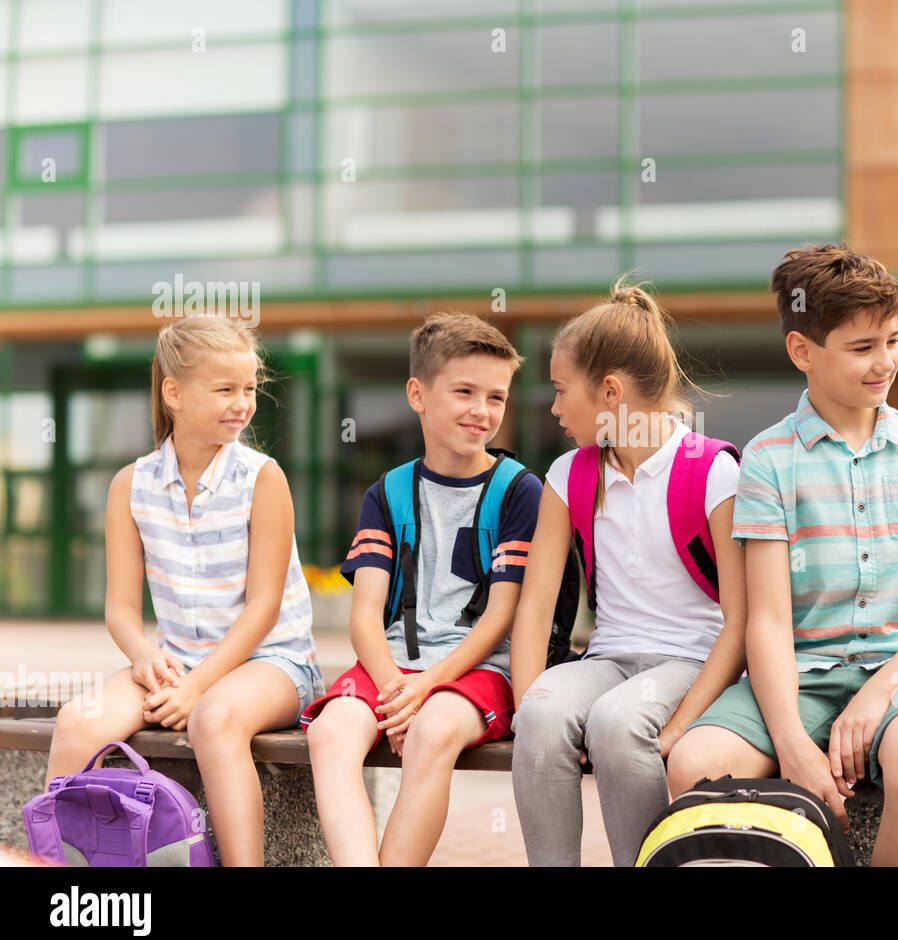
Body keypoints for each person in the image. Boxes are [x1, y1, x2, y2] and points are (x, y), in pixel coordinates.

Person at [667, 243, 898, 866]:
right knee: (696, 762)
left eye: (893, 341)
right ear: (802, 352)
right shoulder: (766, 459)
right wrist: (791, 744)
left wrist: (876, 697)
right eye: (863, 347)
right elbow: (767, 618)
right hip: (801, 679)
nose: (886, 362)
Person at [47, 313, 323, 866]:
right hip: (177, 663)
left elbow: (265, 607)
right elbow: (121, 608)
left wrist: (197, 687)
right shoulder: (131, 485)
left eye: (248, 388)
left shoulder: (263, 478)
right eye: (224, 389)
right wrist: (146, 656)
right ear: (173, 393)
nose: (241, 403)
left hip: (274, 663)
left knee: (214, 719)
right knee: (79, 721)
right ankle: (65, 874)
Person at [510, 278, 747, 867]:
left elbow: (742, 621)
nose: (555, 408)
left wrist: (678, 728)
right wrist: (526, 705)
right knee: (541, 712)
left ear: (610, 390)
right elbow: (535, 609)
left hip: (690, 660)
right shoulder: (569, 475)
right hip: (609, 659)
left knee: (618, 724)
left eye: (563, 392)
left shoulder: (713, 472)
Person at [301, 313, 541, 866]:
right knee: (330, 735)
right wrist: (393, 690)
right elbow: (365, 617)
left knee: (433, 731)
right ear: (418, 393)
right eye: (464, 392)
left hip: (478, 672)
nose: (482, 411)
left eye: (496, 397)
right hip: (393, 671)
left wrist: (428, 687)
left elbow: (500, 616)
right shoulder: (387, 493)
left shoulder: (519, 491)